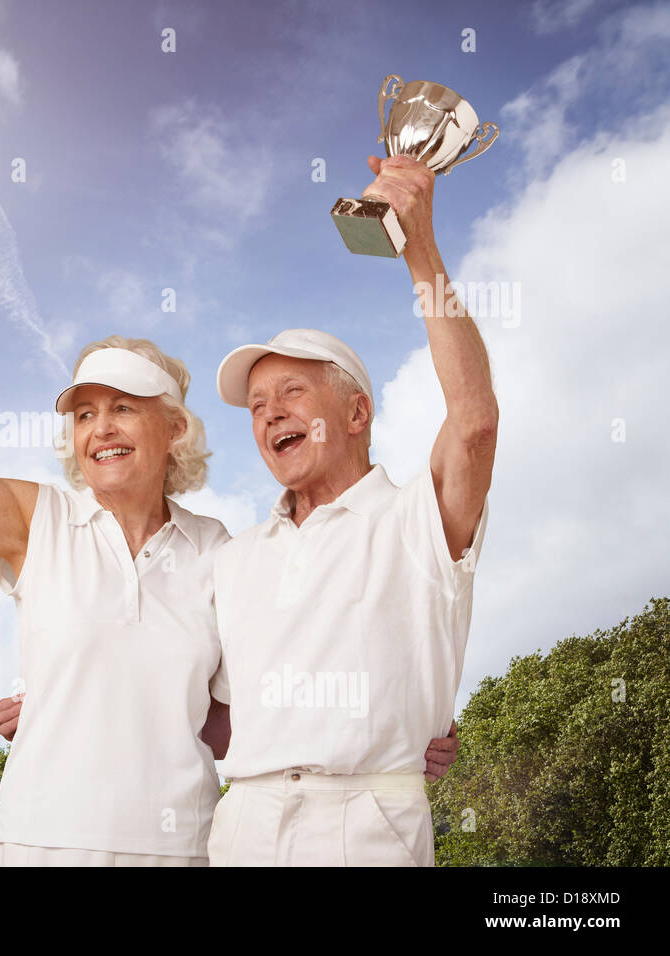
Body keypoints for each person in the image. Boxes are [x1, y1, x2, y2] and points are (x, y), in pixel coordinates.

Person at [0, 237, 232, 864]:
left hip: (179, 847)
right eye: (85, 414)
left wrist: (401, 728)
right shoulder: (38, 519)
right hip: (37, 843)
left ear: (174, 429)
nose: (101, 430)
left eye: (123, 408)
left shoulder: (215, 548)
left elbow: (225, 723)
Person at [204, 153, 497, 866]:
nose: (271, 414)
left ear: (357, 411)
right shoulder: (233, 558)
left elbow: (474, 422)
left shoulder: (417, 519)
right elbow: (213, 719)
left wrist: (419, 249)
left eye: (294, 394)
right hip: (243, 824)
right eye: (258, 406)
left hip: (368, 826)